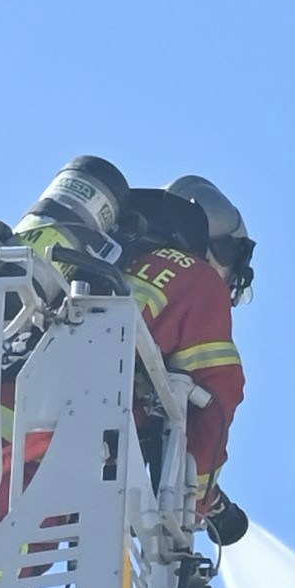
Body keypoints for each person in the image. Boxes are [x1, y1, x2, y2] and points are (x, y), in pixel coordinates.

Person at [122, 170, 253, 505]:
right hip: (62, 436)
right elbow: (218, 393)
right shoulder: (201, 281)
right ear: (220, 249)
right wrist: (201, 499)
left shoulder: (117, 257)